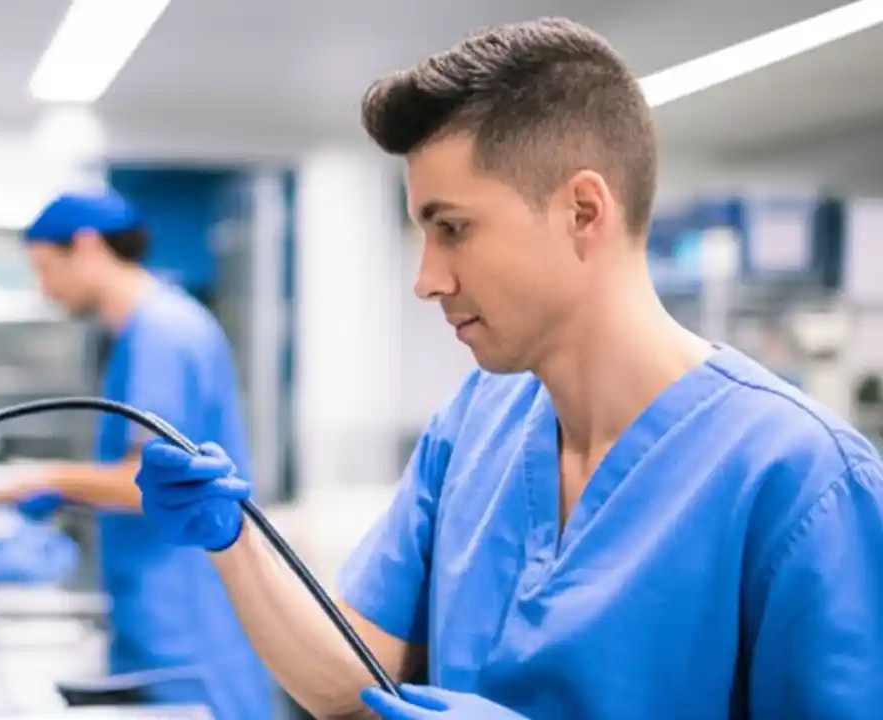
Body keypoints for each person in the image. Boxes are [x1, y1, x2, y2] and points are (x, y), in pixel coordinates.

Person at [133, 17, 883, 720]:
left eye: (452, 229)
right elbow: (353, 683)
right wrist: (233, 543)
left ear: (583, 212)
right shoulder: (475, 426)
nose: (426, 279)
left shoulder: (799, 479)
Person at [0, 190, 274, 719]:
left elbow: (145, 481)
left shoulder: (162, 333)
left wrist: (40, 478)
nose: (42, 287)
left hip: (183, 606)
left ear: (86, 247)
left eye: (44, 268)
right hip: (156, 600)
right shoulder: (146, 330)